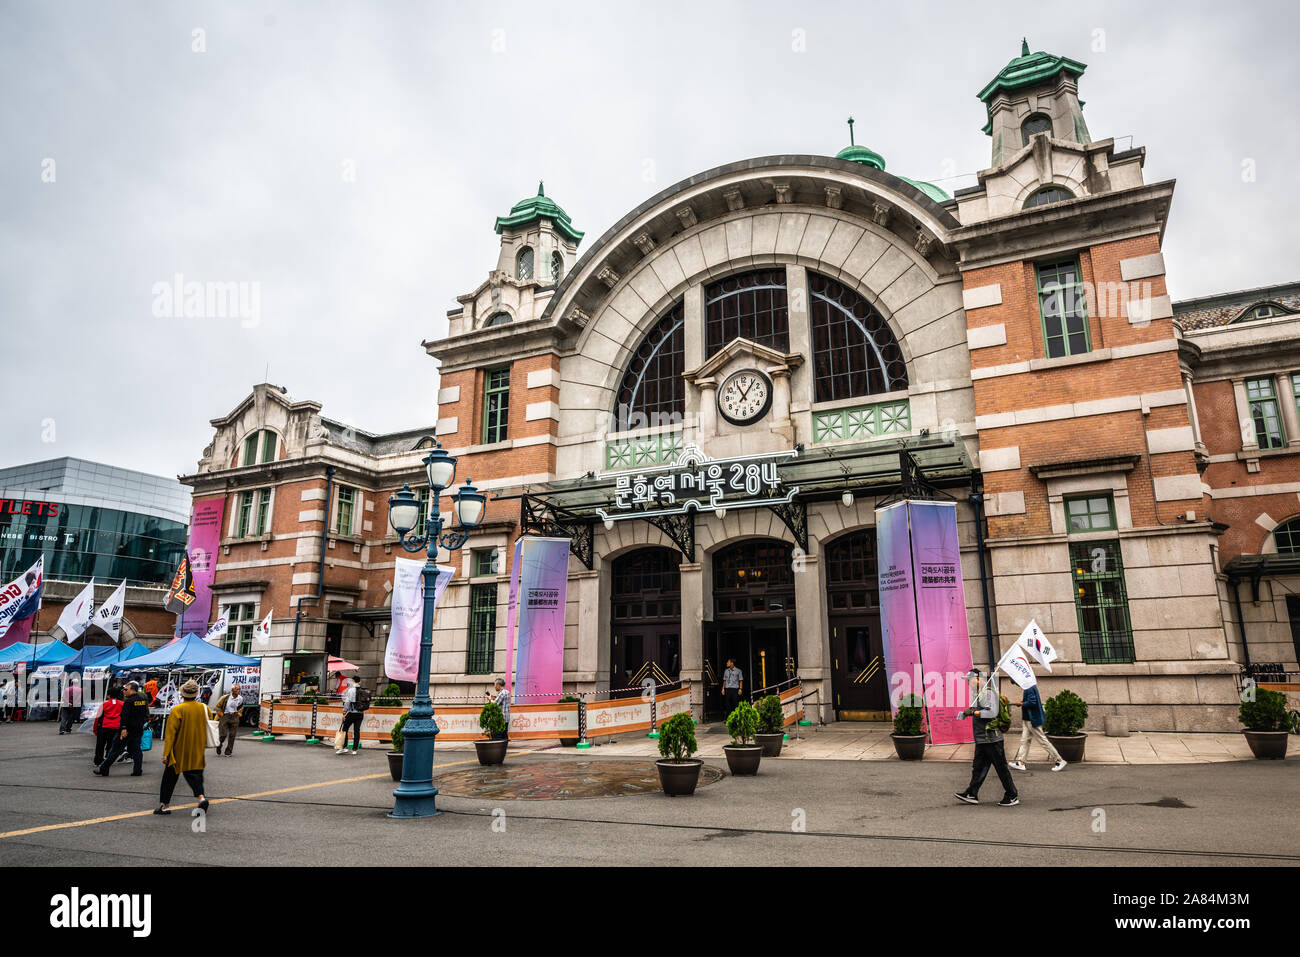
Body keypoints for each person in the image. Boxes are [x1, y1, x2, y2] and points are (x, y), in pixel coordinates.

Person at [954, 668, 1019, 807]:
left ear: (979, 679)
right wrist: (968, 712)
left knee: (1001, 768)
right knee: (978, 768)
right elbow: (979, 710)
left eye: (970, 680)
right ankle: (972, 793)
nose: (969, 683)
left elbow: (991, 713)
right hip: (982, 739)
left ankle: (1012, 795)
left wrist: (974, 713)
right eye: (968, 681)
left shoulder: (987, 693)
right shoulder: (978, 694)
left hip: (992, 740)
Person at [155, 680, 209, 815]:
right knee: (195, 775)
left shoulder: (177, 710)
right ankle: (201, 798)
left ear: (182, 694)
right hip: (197, 748)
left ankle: (165, 805)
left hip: (179, 749)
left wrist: (166, 753)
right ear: (196, 693)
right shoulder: (204, 708)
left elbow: (170, 734)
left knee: (169, 778)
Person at [1009, 684, 1066, 772]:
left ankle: (1059, 760)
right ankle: (1021, 762)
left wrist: (1021, 703)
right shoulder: (1028, 687)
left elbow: (1032, 702)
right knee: (1024, 741)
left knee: (1042, 741)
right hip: (1027, 719)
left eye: (1016, 682)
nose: (1017, 684)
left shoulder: (1029, 687)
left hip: (1032, 720)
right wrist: (1022, 702)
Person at [96, 681, 149, 776]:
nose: (124, 691)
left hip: (127, 730)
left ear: (132, 690)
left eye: (126, 689)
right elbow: (145, 715)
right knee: (137, 751)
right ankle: (137, 770)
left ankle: (103, 768)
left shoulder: (128, 701)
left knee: (115, 750)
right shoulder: (142, 700)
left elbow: (124, 716)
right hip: (137, 730)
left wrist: (123, 729)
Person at [92, 685, 124, 770]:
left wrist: (95, 729)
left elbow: (97, 718)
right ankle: (108, 759)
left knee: (100, 745)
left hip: (105, 727)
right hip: (117, 727)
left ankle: (98, 760)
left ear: (108, 695)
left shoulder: (104, 704)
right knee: (112, 744)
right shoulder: (122, 704)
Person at [213, 683, 244, 756]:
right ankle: (219, 745)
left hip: (234, 716)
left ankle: (228, 751)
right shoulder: (226, 697)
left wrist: (239, 713)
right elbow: (217, 706)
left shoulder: (240, 698)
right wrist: (220, 713)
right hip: (225, 716)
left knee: (232, 735)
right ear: (232, 690)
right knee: (223, 734)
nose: (238, 690)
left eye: (239, 689)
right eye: (236, 689)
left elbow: (241, 706)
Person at [337, 678, 365, 754]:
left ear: (352, 682)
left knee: (344, 729)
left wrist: (344, 712)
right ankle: (354, 750)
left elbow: (347, 702)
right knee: (356, 731)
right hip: (360, 713)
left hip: (352, 713)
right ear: (360, 682)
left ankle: (344, 747)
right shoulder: (363, 690)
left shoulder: (351, 690)